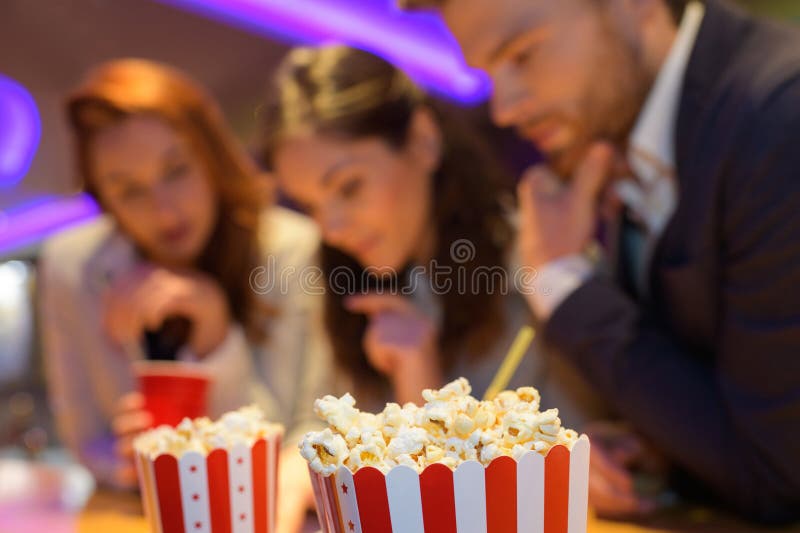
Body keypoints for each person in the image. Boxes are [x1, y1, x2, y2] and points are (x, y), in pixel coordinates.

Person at [400, 0, 800, 523]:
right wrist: (650, 449)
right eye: (488, 73)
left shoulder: (777, 120)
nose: (504, 109)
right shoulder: (623, 139)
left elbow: (777, 475)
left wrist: (560, 282)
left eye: (521, 55)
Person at [39, 59, 330, 515]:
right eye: (129, 190)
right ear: (103, 198)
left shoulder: (291, 250)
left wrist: (215, 339)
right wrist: (127, 461)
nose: (164, 211)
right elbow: (84, 438)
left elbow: (309, 435)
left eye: (176, 171)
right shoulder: (72, 267)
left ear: (211, 157)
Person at [259, 45, 606, 425]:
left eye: (349, 188)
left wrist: (417, 376)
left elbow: (621, 444)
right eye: (310, 206)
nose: (332, 229)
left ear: (424, 139)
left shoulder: (537, 258)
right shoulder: (352, 294)